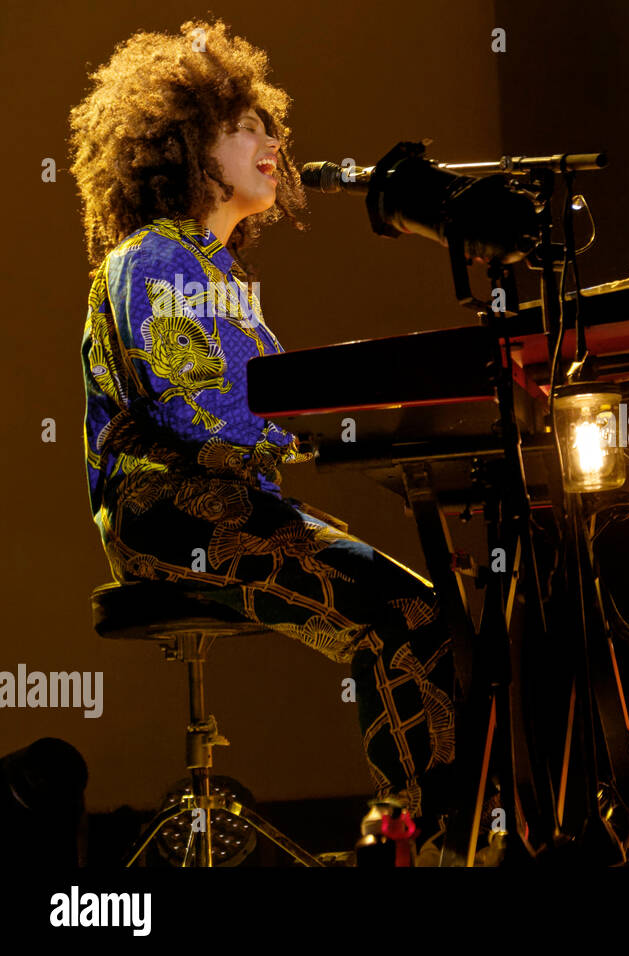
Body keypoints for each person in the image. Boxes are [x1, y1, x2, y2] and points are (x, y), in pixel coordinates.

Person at [69, 20, 468, 862]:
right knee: (408, 613)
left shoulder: (220, 275)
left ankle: (423, 834)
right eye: (245, 125)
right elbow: (193, 413)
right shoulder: (152, 259)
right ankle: (429, 845)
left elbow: (271, 412)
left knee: (428, 610)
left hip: (229, 509)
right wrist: (325, 428)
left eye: (271, 125)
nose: (272, 142)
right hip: (170, 516)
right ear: (186, 145)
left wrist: (354, 426)